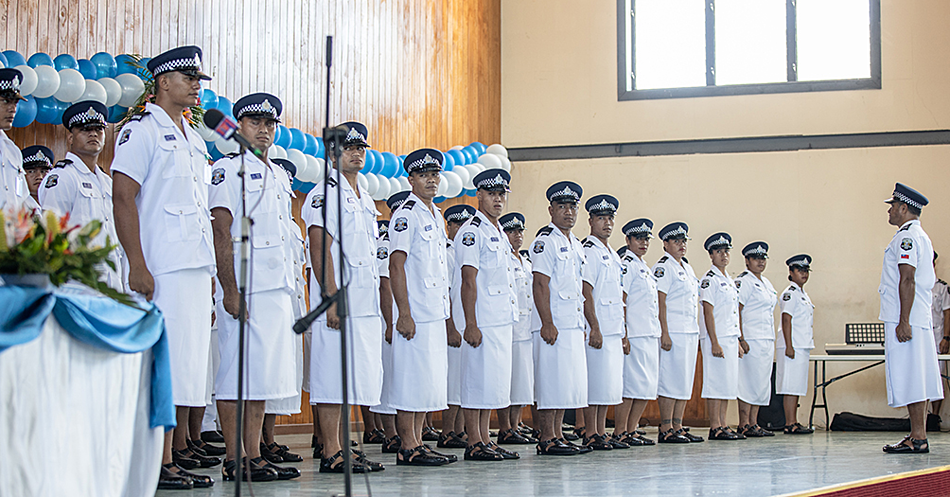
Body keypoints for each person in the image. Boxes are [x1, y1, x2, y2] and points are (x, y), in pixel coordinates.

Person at [111, 46, 216, 490]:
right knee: (161, 366)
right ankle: (154, 461)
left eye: (199, 78)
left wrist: (211, 279)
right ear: (162, 82)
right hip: (160, 268)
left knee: (187, 369)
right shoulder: (142, 130)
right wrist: (137, 263)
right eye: (188, 76)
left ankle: (170, 456)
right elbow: (122, 196)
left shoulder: (192, 136)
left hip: (192, 268)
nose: (196, 84)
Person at [208, 92, 300, 481]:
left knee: (261, 376)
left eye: (270, 124)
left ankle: (254, 453)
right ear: (239, 127)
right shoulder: (228, 170)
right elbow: (221, 230)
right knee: (235, 373)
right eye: (255, 123)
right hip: (244, 288)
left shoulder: (279, 175)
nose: (263, 130)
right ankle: (234, 458)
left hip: (275, 287)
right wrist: (229, 289)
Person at [303, 121, 385, 473]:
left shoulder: (364, 197)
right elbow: (320, 248)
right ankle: (331, 450)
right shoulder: (324, 193)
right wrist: (330, 298)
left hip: (364, 302)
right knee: (331, 376)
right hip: (338, 301)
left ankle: (345, 448)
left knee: (355, 377)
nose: (356, 152)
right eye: (348, 147)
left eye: (360, 147)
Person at [388, 149, 456, 466]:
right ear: (411, 179)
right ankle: (407, 445)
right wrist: (403, 312)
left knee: (426, 381)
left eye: (435, 174)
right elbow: (397, 265)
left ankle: (418, 441)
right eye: (424, 174)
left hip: (433, 311)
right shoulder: (406, 214)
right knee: (410, 380)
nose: (432, 179)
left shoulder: (434, 214)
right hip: (414, 311)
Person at [454, 169, 520, 462]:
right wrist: (470, 323)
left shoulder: (498, 233)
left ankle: (485, 438)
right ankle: (474, 441)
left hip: (500, 319)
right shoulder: (472, 231)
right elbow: (468, 279)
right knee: (476, 380)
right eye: (492, 194)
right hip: (481, 319)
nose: (498, 199)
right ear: (478, 195)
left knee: (491, 383)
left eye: (501, 194)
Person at [530, 181, 591, 456]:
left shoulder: (575, 244)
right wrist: (547, 322)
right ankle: (547, 438)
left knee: (565, 383)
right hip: (553, 323)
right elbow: (540, 284)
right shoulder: (545, 241)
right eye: (562, 206)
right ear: (551, 210)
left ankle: (557, 434)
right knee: (550, 382)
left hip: (572, 322)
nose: (568, 212)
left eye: (572, 206)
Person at [881, 183, 942, 453]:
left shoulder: (907, 238)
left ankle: (918, 437)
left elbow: (907, 279)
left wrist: (903, 320)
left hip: (907, 318)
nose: (890, 211)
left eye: (892, 206)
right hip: (917, 316)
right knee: (917, 375)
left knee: (911, 376)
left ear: (904, 208)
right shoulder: (920, 236)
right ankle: (917, 435)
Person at [39, 102, 123, 291]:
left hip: (111, 278)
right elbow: (51, 234)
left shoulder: (107, 182)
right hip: (76, 281)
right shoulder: (62, 177)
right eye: (85, 129)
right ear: (70, 137)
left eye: (98, 129)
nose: (93, 134)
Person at [260, 157, 305, 465]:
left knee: (281, 375)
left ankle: (270, 438)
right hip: (267, 296)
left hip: (291, 302)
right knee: (264, 372)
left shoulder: (292, 227)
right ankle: (259, 442)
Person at [580, 195, 627, 450]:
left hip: (612, 327)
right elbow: (586, 290)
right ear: (590, 221)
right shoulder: (589, 250)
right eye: (601, 218)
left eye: (610, 218)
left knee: (607, 384)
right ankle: (590, 432)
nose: (607, 223)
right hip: (597, 327)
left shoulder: (611, 253)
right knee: (595, 382)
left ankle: (600, 430)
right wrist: (594, 326)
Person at [652, 222, 703, 444]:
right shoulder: (664, 267)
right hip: (673, 331)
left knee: (684, 380)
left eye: (684, 241)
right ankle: (665, 427)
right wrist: (664, 331)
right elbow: (660, 301)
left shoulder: (687, 268)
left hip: (689, 332)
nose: (682, 245)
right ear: (665, 244)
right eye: (676, 241)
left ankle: (678, 424)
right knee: (670, 379)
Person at [371, 192, 410, 455]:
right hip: (390, 319)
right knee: (388, 377)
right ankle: (390, 433)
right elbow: (385, 285)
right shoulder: (385, 245)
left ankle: (401, 432)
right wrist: (389, 322)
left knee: (401, 376)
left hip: (398, 319)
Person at [616, 218, 659, 446]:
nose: (643, 243)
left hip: (649, 333)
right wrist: (623, 332)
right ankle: (621, 430)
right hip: (634, 334)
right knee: (630, 385)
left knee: (646, 385)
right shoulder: (627, 265)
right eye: (638, 239)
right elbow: (621, 300)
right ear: (628, 240)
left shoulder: (645, 267)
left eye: (646, 239)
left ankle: (632, 429)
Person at [497, 212, 539, 445]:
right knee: (508, 380)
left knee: (522, 382)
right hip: (510, 328)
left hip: (526, 329)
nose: (517, 235)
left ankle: (515, 425)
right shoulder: (505, 259)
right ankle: (505, 427)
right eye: (512, 231)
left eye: (520, 231)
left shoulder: (526, 262)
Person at [698, 232, 743, 441]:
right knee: (716, 382)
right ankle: (715, 425)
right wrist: (714, 341)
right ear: (711, 255)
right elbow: (708, 311)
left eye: (726, 251)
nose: (724, 255)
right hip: (717, 338)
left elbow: (734, 312)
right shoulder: (710, 280)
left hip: (730, 337)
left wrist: (738, 340)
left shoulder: (729, 280)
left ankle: (724, 423)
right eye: (719, 251)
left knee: (727, 383)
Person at [439, 203, 476, 450]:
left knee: (464, 379)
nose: (463, 229)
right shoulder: (449, 253)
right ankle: (447, 431)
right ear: (450, 227)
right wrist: (451, 327)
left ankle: (460, 430)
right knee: (453, 382)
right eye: (458, 225)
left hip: (467, 321)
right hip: (454, 324)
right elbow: (447, 292)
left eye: (466, 225)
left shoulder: (466, 253)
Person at [735, 242, 778, 438]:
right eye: (756, 258)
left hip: (766, 339)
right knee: (747, 382)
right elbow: (737, 309)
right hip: (751, 339)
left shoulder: (766, 283)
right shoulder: (744, 282)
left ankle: (754, 422)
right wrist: (740, 338)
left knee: (761, 382)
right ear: (747, 261)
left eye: (763, 258)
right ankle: (744, 423)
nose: (760, 262)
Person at [776, 254, 815, 435]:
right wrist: (789, 345)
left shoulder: (802, 294)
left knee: (796, 386)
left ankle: (794, 420)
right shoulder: (790, 294)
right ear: (791, 272)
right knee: (790, 386)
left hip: (801, 344)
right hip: (792, 345)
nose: (804, 274)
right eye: (799, 270)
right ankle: (789, 423)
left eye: (806, 270)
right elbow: (786, 319)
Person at [0, 68, 35, 212]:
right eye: (6, 101)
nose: (13, 109)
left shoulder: (13, 151)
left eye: (15, 103)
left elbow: (21, 197)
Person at [932, 253, 950, 415]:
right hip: (919, 338)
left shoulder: (942, 287)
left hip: (937, 337)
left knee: (938, 376)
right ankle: (921, 417)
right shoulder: (914, 285)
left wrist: (946, 337)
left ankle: (935, 416)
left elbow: (947, 314)